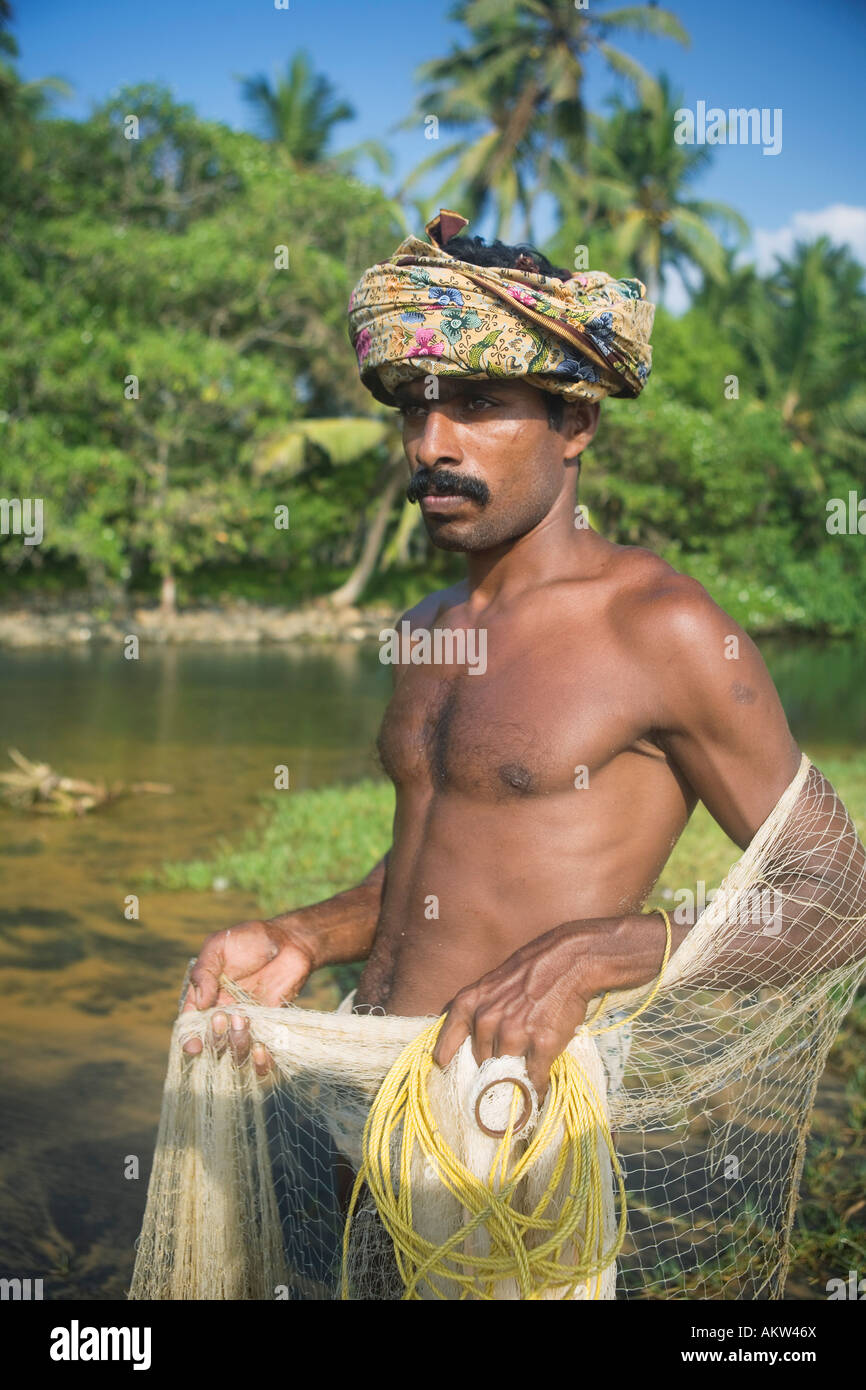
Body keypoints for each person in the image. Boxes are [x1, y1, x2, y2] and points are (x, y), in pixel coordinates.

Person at [180, 210, 861, 1107]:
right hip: (363, 1079)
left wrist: (589, 955)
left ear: (574, 422)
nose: (432, 446)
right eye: (417, 409)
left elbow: (836, 899)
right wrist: (304, 934)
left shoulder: (663, 628)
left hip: (508, 1127)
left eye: (477, 405)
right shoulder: (429, 626)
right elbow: (449, 863)